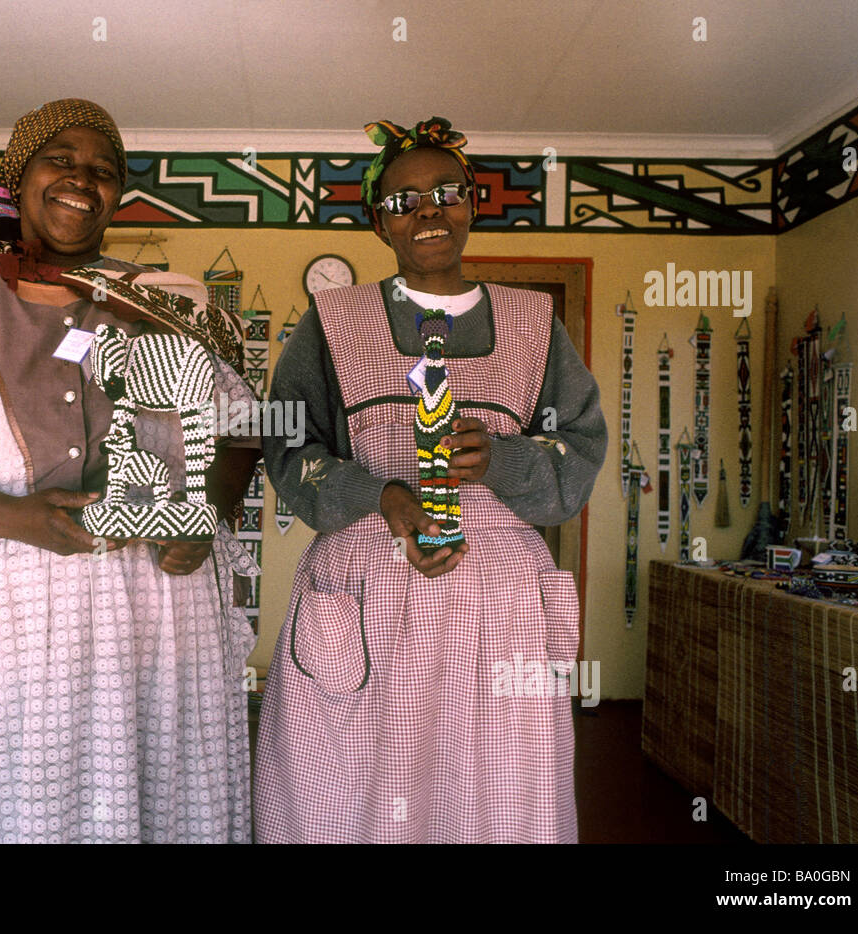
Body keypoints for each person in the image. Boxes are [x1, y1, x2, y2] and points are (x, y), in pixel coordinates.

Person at [0, 99, 262, 843]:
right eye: (60, 159)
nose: (81, 179)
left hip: (149, 610)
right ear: (18, 175)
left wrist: (202, 511)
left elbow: (241, 427)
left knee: (144, 795)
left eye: (103, 171)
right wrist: (16, 519)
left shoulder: (164, 305)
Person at [254, 116, 606, 843]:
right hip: (366, 583)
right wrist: (379, 496)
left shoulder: (535, 321)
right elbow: (288, 445)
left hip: (497, 595)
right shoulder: (331, 322)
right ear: (379, 224)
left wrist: (503, 459)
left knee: (499, 796)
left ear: (474, 203)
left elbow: (581, 451)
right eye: (403, 200)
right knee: (350, 791)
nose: (427, 211)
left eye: (446, 192)